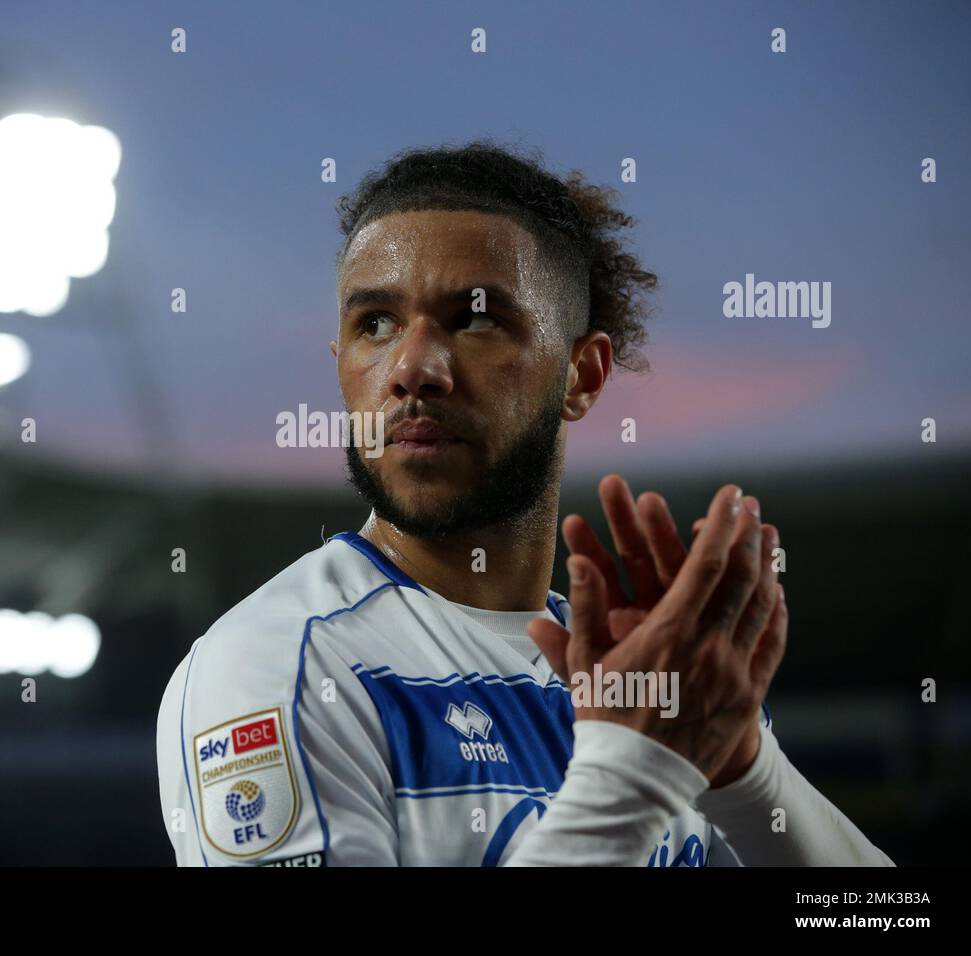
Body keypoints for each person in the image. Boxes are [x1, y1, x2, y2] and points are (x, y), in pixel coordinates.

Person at [155, 141, 893, 866]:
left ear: (582, 374)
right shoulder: (283, 663)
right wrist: (632, 777)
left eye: (475, 318)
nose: (412, 368)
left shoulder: (642, 684)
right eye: (374, 322)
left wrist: (741, 765)